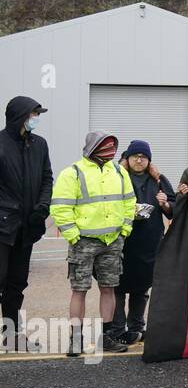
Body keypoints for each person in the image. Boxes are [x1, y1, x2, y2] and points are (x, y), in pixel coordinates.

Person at [51, 132, 134, 355]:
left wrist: (125, 229)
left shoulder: (118, 171)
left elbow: (129, 201)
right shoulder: (73, 173)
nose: (111, 151)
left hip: (112, 241)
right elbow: (60, 206)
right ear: (93, 148)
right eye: (106, 147)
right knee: (79, 290)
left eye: (113, 147)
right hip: (83, 242)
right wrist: (72, 235)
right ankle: (75, 340)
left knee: (109, 289)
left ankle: (106, 337)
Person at [107, 141, 175, 345]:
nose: (139, 160)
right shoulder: (116, 177)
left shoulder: (159, 179)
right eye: (135, 156)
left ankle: (137, 327)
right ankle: (117, 329)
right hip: (122, 240)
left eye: (143, 157)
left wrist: (165, 203)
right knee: (117, 286)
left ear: (149, 160)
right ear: (126, 158)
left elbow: (173, 207)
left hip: (150, 241)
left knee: (142, 286)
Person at [0, 97, 52, 352]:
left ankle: (12, 336)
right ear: (19, 115)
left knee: (17, 283)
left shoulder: (39, 144)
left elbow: (46, 178)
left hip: (26, 227)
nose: (36, 118)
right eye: (33, 113)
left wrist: (41, 209)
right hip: (3, 226)